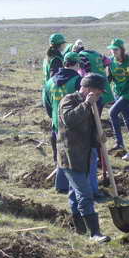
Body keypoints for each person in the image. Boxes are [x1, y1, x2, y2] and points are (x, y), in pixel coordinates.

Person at [57, 73, 111, 243]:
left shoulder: (93, 105)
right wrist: (87, 104)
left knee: (75, 195)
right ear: (88, 89)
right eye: (99, 92)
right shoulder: (69, 100)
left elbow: (90, 129)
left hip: (85, 156)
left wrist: (99, 138)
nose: (100, 95)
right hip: (70, 157)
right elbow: (69, 120)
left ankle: (79, 229)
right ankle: (94, 233)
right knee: (85, 194)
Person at [43, 52, 81, 192]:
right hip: (73, 124)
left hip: (56, 124)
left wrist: (54, 117)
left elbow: (46, 103)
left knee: (60, 154)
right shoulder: (78, 81)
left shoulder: (50, 81)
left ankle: (61, 186)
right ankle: (73, 186)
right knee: (74, 156)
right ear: (76, 64)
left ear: (65, 63)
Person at [106, 38, 129, 151]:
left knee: (112, 113)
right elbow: (109, 78)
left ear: (122, 50)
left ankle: (119, 142)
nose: (113, 52)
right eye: (112, 50)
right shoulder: (111, 62)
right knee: (127, 117)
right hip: (117, 92)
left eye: (116, 49)